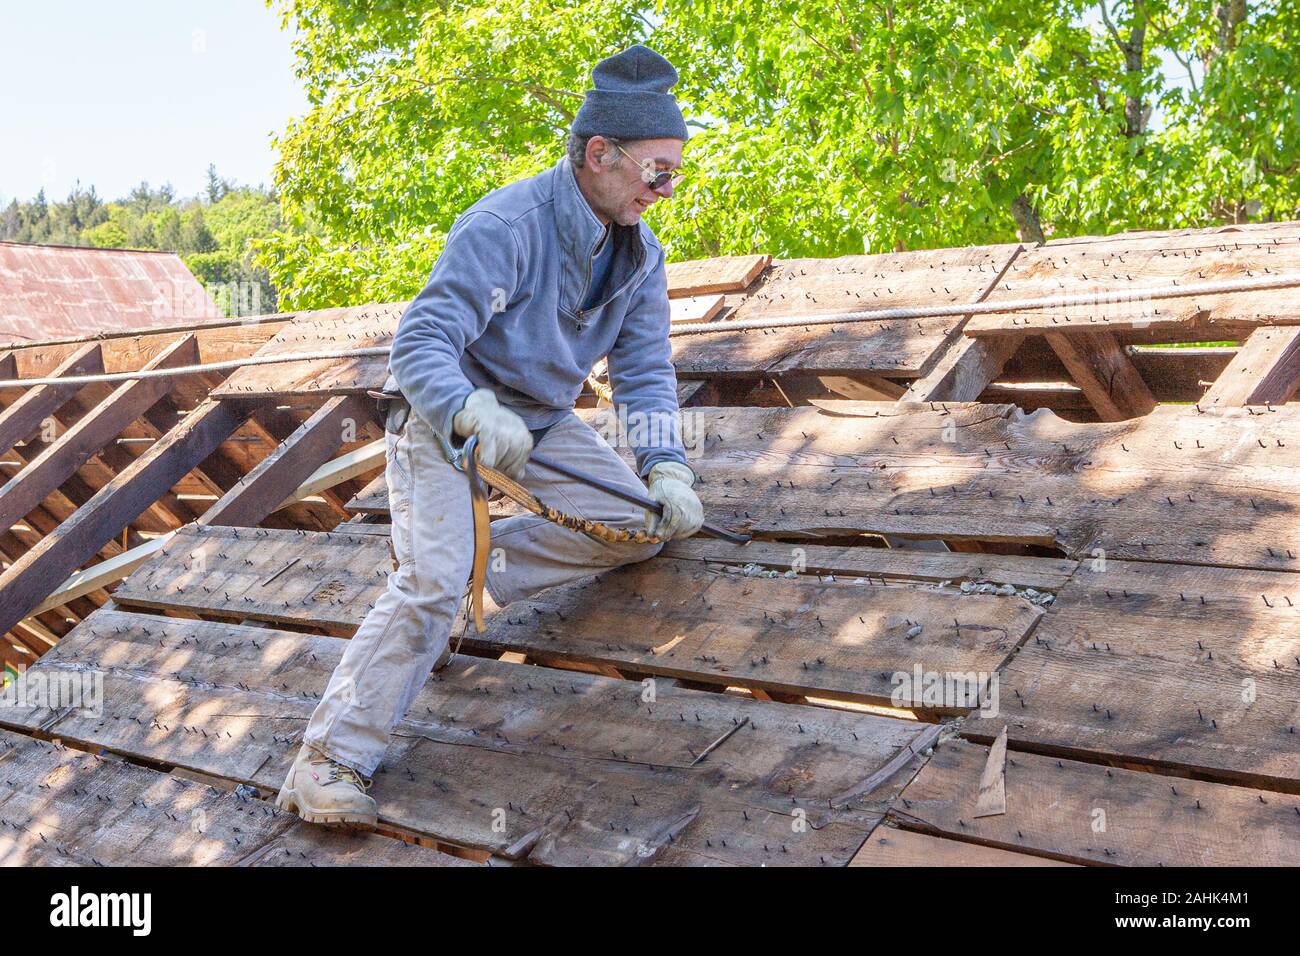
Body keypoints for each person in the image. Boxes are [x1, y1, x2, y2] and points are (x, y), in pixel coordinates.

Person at [277, 45, 704, 824]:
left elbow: (643, 371)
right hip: (442, 419)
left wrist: (667, 464)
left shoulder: (642, 258)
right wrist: (471, 411)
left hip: (540, 422)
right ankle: (329, 760)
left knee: (641, 528)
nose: (665, 191)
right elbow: (420, 344)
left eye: (676, 173)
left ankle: (480, 574)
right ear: (599, 153)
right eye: (657, 172)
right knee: (427, 584)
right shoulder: (505, 225)